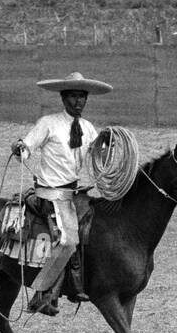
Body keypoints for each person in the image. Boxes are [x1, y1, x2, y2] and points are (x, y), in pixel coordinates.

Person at [12, 71, 111, 316]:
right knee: (67, 241)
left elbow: (99, 154)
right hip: (50, 194)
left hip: (74, 193)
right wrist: (21, 148)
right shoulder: (48, 123)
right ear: (64, 98)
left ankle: (77, 283)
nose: (78, 102)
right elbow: (28, 147)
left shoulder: (88, 128)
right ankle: (42, 294)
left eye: (82, 97)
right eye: (74, 97)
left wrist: (109, 144)